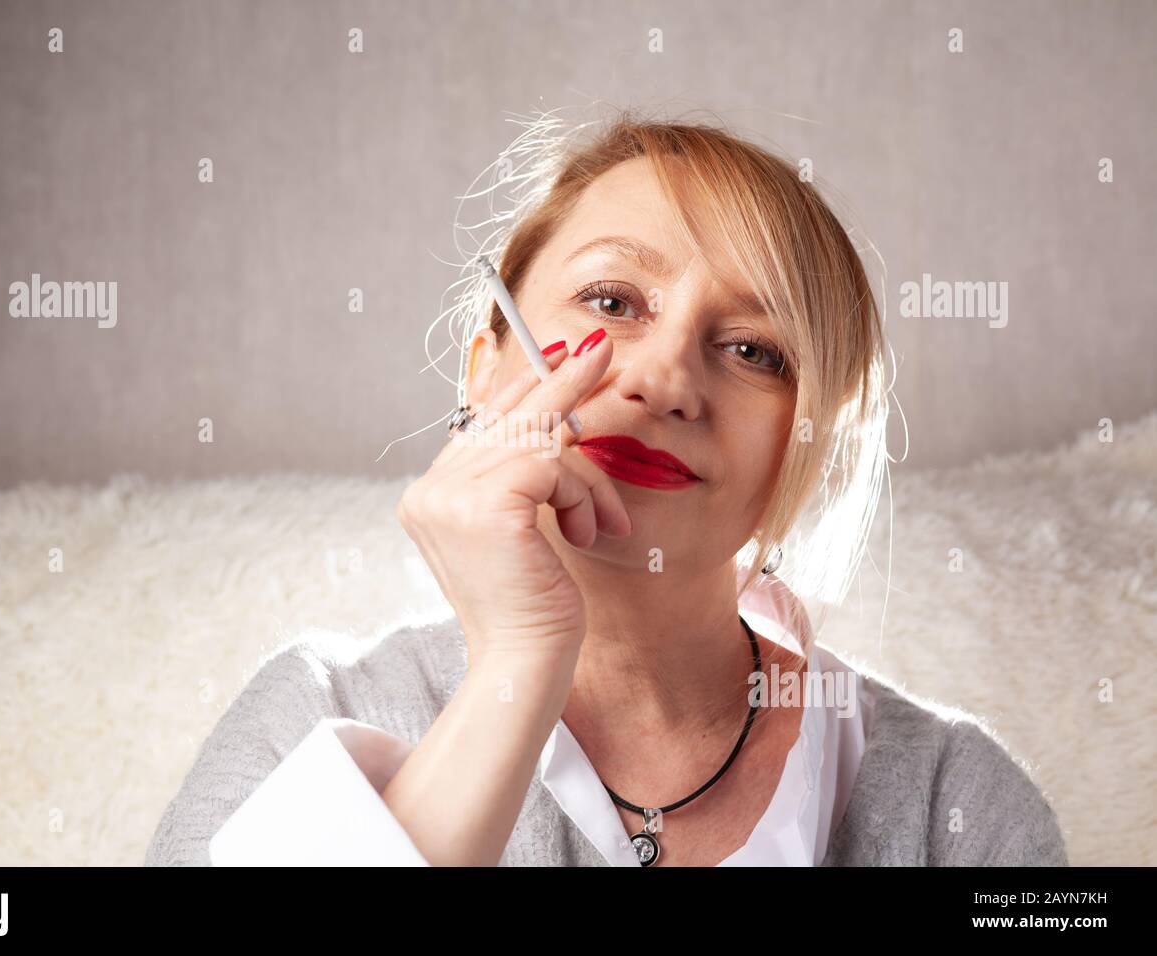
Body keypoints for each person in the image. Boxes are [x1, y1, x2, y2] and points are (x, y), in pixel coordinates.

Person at [145, 110, 1069, 867]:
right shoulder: (312, 711)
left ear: (812, 448)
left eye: (753, 350)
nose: (665, 380)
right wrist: (517, 661)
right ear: (487, 364)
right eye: (613, 301)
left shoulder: (958, 800)